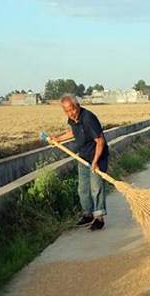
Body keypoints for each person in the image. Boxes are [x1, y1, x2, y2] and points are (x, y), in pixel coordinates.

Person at [51, 94, 110, 230]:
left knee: (96, 188)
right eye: (66, 111)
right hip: (83, 156)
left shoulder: (88, 118)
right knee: (82, 189)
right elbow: (73, 133)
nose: (70, 113)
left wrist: (95, 162)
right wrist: (58, 139)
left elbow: (100, 141)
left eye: (72, 109)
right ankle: (87, 214)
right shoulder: (72, 119)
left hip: (97, 156)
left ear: (77, 106)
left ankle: (99, 218)